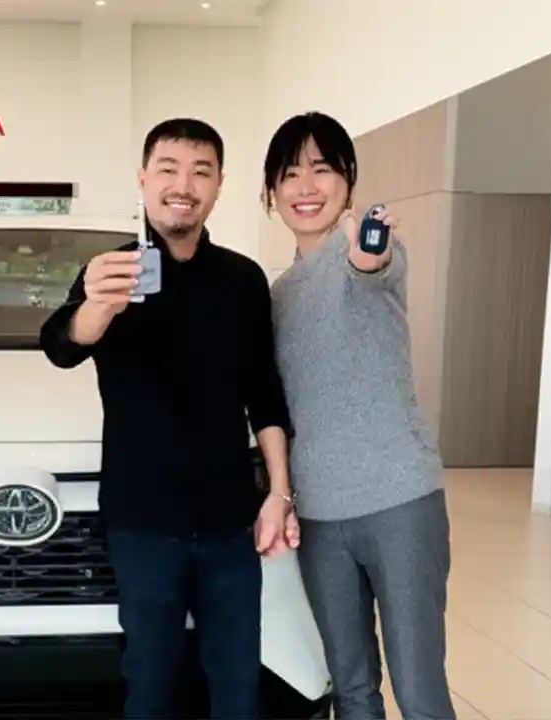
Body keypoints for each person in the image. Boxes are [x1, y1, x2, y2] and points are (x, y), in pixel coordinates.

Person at [38, 117, 298, 719]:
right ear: (143, 179)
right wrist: (95, 306)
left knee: (238, 682)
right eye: (169, 169)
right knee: (150, 680)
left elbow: (265, 393)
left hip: (231, 520)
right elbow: (60, 346)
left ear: (218, 186)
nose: (184, 185)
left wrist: (279, 492)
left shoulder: (241, 279)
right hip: (142, 521)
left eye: (200, 172)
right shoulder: (110, 271)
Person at [262, 111, 456, 720]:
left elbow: (370, 267)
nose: (306, 186)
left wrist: (368, 249)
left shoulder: (371, 252)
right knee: (350, 688)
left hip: (399, 501)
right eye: (290, 174)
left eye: (322, 169)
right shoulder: (277, 293)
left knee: (419, 691)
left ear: (349, 180)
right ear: (271, 193)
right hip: (319, 517)